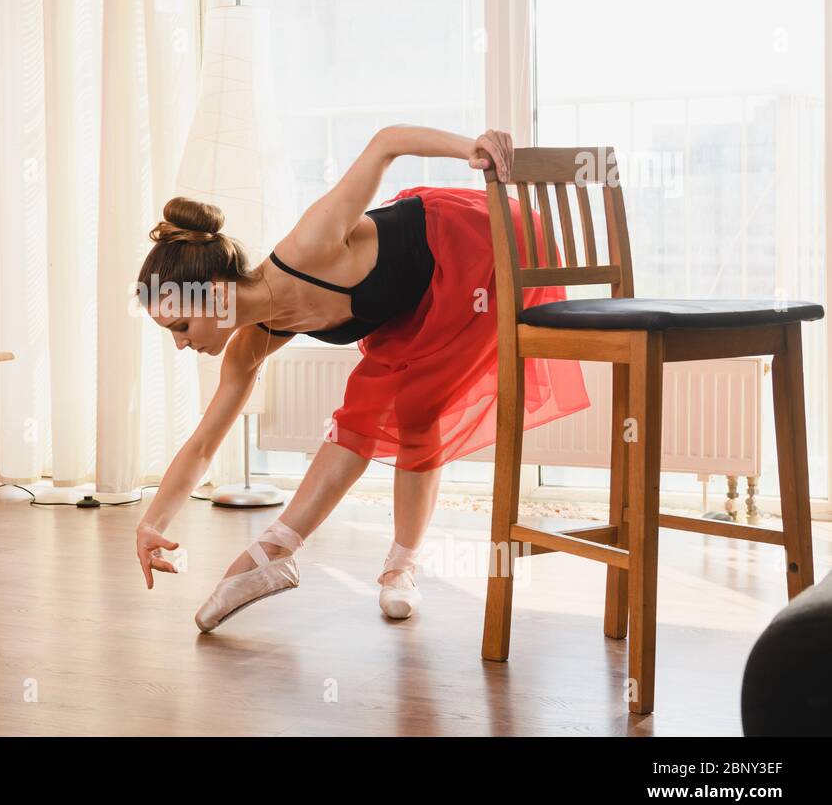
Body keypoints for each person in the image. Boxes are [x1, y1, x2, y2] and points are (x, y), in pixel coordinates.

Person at [134, 126, 590, 632]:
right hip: (417, 307)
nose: (180, 342)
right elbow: (202, 446)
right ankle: (396, 569)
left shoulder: (308, 247)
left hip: (484, 247)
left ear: (214, 291)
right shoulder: (249, 347)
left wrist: (471, 149)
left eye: (180, 325)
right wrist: (151, 524)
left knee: (389, 400)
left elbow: (386, 142)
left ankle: (280, 551)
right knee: (414, 408)